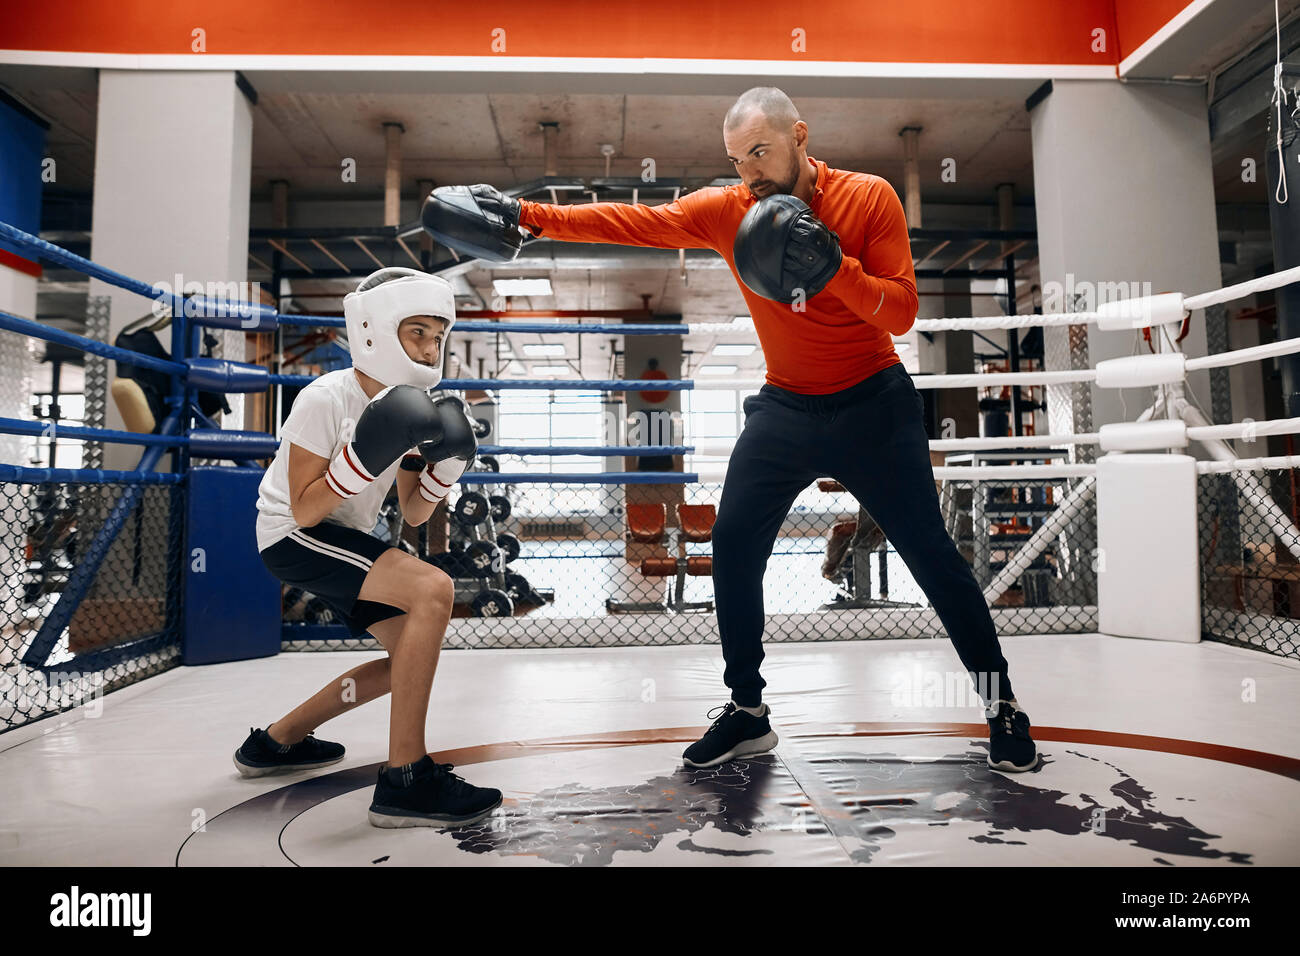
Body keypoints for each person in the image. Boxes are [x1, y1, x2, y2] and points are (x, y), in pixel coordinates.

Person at [420, 87, 1038, 775]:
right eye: (738, 158)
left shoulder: (868, 198)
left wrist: (833, 266)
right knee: (735, 542)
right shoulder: (730, 208)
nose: (749, 171)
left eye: (760, 152)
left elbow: (900, 313)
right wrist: (527, 215)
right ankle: (747, 710)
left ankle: (1003, 705)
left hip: (874, 404)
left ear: (800, 136)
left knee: (933, 558)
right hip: (786, 407)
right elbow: (635, 222)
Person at [236, 266, 505, 828]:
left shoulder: (409, 406)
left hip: (344, 538)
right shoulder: (324, 397)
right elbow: (304, 508)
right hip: (292, 534)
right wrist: (358, 462)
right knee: (434, 588)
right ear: (374, 330)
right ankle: (406, 779)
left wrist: (444, 473)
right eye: (417, 332)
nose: (430, 348)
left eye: (438, 336)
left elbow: (415, 511)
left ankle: (276, 742)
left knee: (408, 655)